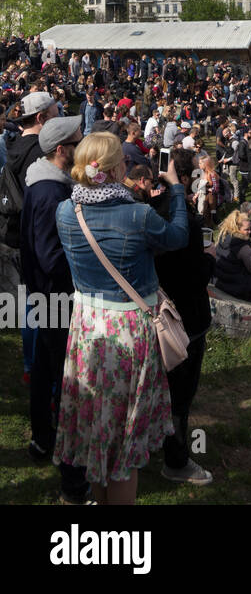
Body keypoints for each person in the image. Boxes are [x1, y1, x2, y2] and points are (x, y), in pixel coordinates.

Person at [53, 132, 188, 505]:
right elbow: (177, 236)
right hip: (127, 331)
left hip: (86, 327)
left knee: (98, 431)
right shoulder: (137, 214)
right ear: (114, 169)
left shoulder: (66, 211)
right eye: (125, 164)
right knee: (123, 446)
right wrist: (175, 188)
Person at [19, 115, 90, 502]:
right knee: (62, 374)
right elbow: (48, 255)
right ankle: (62, 448)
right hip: (55, 296)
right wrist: (82, 264)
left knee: (47, 368)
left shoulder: (45, 182)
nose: (82, 146)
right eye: (77, 142)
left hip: (44, 294)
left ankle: (43, 440)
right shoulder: (49, 192)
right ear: (62, 150)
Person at [149, 145, 215, 486]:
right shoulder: (184, 221)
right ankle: (175, 459)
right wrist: (210, 259)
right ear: (185, 178)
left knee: (157, 388)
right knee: (179, 395)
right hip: (183, 320)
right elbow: (193, 275)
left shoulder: (148, 209)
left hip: (153, 315)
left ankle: (151, 445)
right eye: (198, 173)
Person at [212, 208, 251, 301]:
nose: (250, 232)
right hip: (237, 288)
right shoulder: (244, 246)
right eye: (246, 230)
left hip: (219, 281)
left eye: (250, 229)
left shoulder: (224, 235)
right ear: (237, 228)